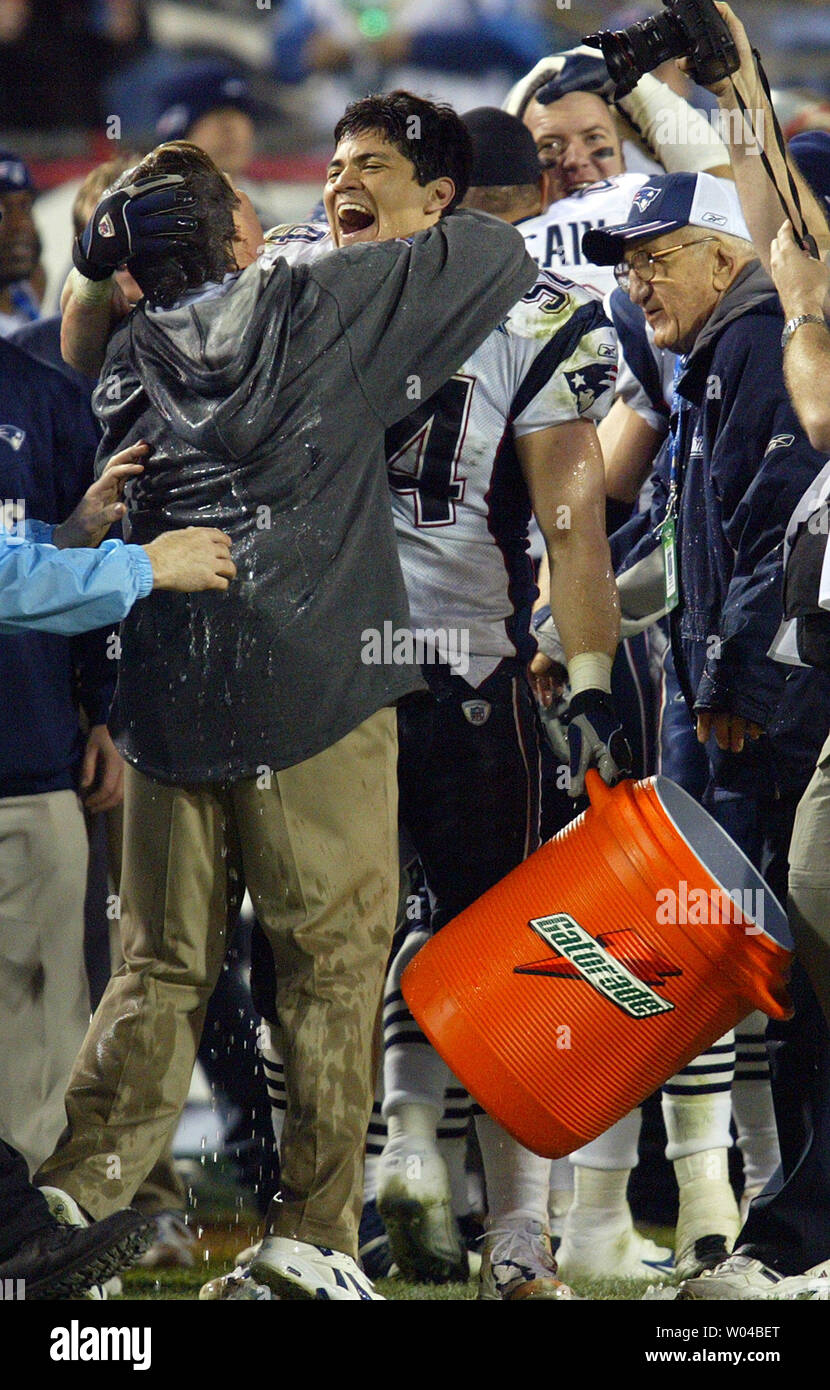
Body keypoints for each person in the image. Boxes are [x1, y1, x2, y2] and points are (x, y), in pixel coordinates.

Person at [36, 132, 537, 1302]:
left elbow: (78, 340)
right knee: (328, 968)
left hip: (170, 695)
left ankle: (73, 1200)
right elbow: (497, 251)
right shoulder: (319, 305)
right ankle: (311, 1234)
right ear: (238, 236)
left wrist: (112, 266)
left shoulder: (122, 357)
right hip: (316, 691)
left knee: (157, 965)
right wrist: (394, 204)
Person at [586, 169, 830, 1300]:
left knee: (792, 967)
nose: (637, 280)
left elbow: (775, 524)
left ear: (726, 258)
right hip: (754, 704)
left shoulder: (751, 351)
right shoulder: (716, 356)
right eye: (627, 261)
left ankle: (787, 1223)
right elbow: (688, 536)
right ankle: (786, 1216)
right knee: (775, 970)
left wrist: (728, 681)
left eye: (656, 255)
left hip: (774, 713)